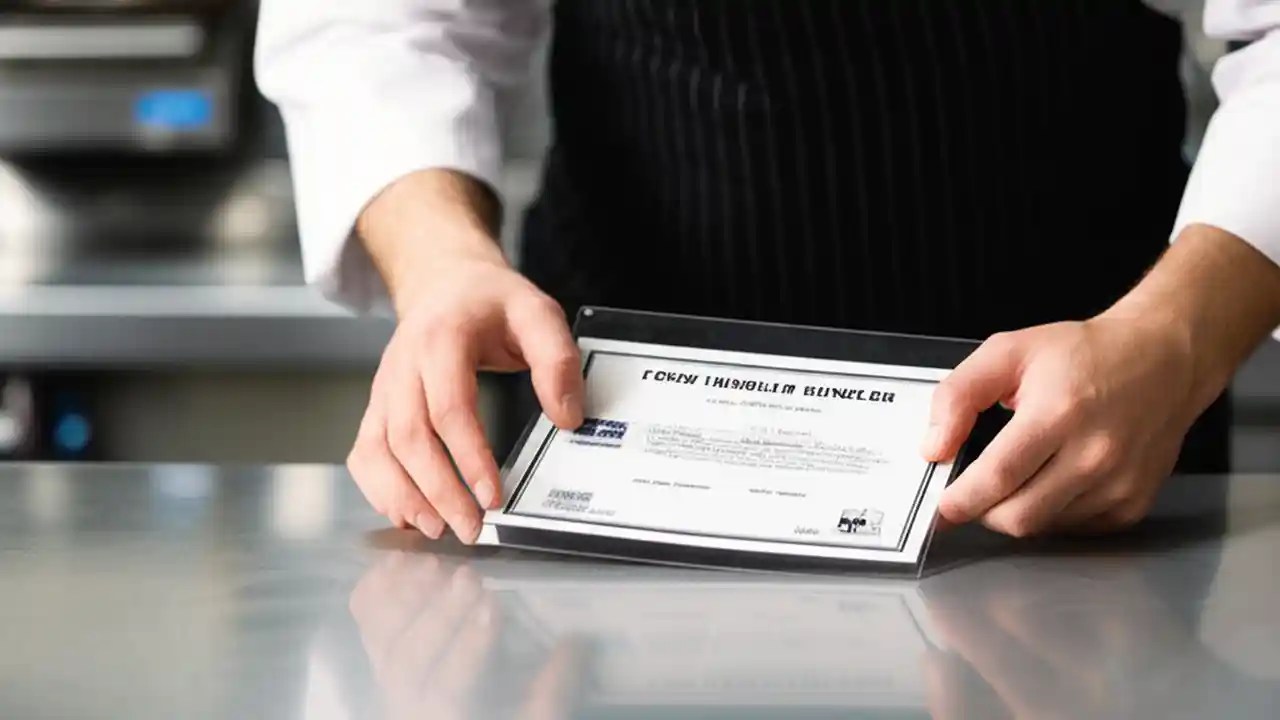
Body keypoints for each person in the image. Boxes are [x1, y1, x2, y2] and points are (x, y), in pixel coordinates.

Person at [256, 1, 1280, 544]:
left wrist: (1172, 337)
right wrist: (439, 264)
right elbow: (376, 19)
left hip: (1079, 434)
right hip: (617, 438)